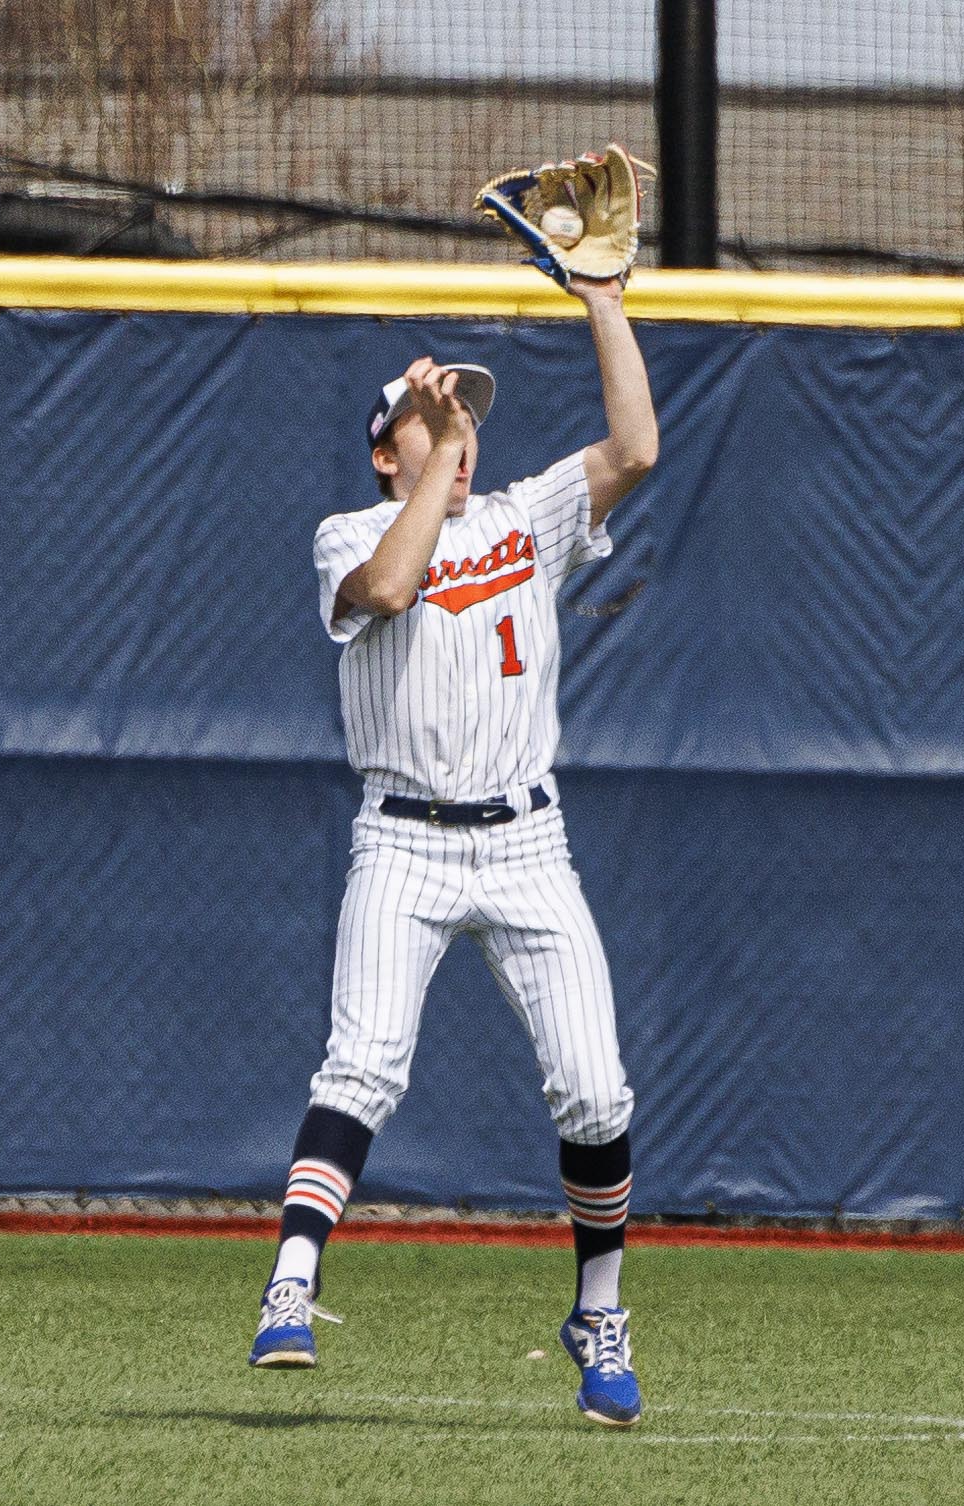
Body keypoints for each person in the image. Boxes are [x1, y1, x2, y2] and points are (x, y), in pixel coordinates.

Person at [248, 272, 658, 1431]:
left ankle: (599, 1313)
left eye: (467, 414)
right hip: (405, 841)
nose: (459, 431)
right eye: (433, 417)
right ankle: (289, 1284)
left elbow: (635, 447)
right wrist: (437, 462)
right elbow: (389, 586)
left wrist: (603, 302)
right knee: (361, 1067)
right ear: (387, 453)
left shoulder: (524, 519)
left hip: (528, 842)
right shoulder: (350, 533)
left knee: (595, 1088)